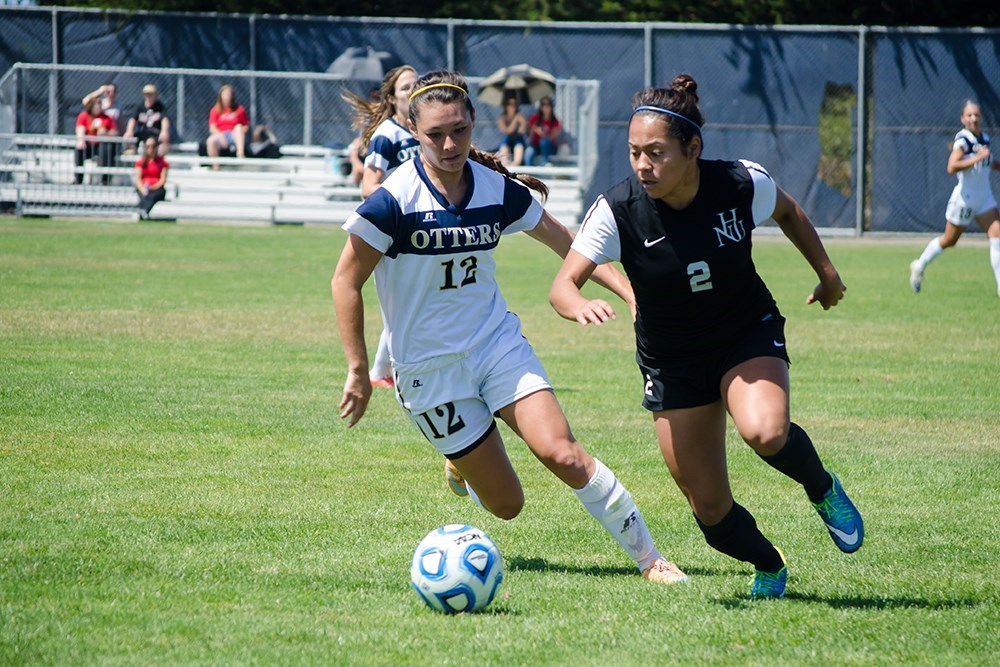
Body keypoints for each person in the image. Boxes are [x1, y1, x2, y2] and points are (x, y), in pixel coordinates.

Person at [333, 70, 687, 585]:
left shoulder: (495, 189)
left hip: (495, 346)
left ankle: (650, 558)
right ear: (413, 131)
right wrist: (359, 369)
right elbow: (346, 281)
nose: (450, 144)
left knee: (562, 454)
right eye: (435, 135)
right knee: (507, 505)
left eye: (459, 130)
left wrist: (632, 294)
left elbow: (570, 243)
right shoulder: (393, 202)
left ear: (474, 122)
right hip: (429, 372)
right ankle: (464, 465)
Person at [549, 74, 864, 600]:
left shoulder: (740, 182)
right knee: (711, 512)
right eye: (633, 153)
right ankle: (769, 563)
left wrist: (827, 274)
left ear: (693, 148)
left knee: (765, 432)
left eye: (656, 153)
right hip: (671, 359)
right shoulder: (619, 210)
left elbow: (788, 210)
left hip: (744, 333)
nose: (642, 166)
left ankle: (822, 488)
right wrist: (577, 304)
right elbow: (563, 283)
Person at [343, 66, 420, 388]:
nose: (413, 92)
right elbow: (368, 187)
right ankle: (380, 372)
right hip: (393, 228)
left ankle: (384, 371)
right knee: (404, 303)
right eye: (405, 88)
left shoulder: (423, 131)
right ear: (391, 98)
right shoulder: (387, 135)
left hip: (418, 227)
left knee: (412, 300)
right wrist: (405, 196)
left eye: (417, 86)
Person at [909, 98, 1000, 296]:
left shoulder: (983, 138)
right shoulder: (963, 140)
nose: (973, 118)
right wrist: (977, 157)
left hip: (984, 198)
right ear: (963, 119)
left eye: (976, 114)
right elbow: (952, 166)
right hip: (965, 198)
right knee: (949, 240)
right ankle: (919, 265)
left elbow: (986, 163)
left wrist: (994, 164)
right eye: (969, 115)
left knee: (997, 236)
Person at [73, 97, 117, 185]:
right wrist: (81, 140)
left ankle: (105, 181)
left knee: (107, 150)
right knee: (79, 150)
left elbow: (115, 132)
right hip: (88, 144)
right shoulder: (84, 116)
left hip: (101, 144)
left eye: (100, 104)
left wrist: (106, 133)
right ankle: (78, 179)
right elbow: (80, 128)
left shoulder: (106, 117)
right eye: (97, 104)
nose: (99, 106)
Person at [206, 84, 249, 168]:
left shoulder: (239, 110)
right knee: (210, 141)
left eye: (228, 95)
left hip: (233, 134)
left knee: (238, 127)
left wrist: (239, 132)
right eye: (224, 95)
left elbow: (245, 126)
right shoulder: (215, 110)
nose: (226, 97)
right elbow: (212, 128)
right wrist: (221, 136)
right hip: (221, 134)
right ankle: (216, 166)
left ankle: (240, 155)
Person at [123, 84, 171, 156]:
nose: (148, 96)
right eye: (146, 94)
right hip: (143, 132)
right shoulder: (139, 107)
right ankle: (134, 154)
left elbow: (165, 119)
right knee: (129, 139)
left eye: (151, 94)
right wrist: (129, 131)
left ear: (155, 95)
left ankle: (158, 160)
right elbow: (133, 119)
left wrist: (164, 131)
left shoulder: (160, 106)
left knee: (164, 141)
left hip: (155, 133)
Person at [133, 136, 169, 220]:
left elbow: (163, 180)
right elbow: (138, 179)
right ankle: (143, 211)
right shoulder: (140, 162)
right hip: (143, 187)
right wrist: (143, 189)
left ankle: (142, 210)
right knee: (144, 194)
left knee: (152, 194)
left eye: (153, 146)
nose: (150, 149)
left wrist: (152, 188)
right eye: (148, 146)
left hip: (157, 188)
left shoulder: (162, 162)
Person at [526, 96, 561, 166]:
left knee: (544, 140)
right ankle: (528, 172)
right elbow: (529, 134)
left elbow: (552, 137)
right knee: (529, 151)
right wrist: (535, 129)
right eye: (543, 105)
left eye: (548, 105)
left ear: (551, 107)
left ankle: (545, 162)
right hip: (536, 146)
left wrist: (544, 133)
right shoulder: (535, 118)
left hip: (550, 148)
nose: (545, 107)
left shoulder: (555, 121)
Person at [496, 96, 527, 167]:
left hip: (517, 141)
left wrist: (523, 123)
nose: (512, 107)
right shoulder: (502, 118)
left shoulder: (520, 116)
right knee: (506, 137)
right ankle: (505, 161)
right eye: (510, 104)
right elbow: (507, 131)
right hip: (506, 141)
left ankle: (516, 162)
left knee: (518, 140)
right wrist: (515, 120)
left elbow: (521, 131)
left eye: (514, 104)